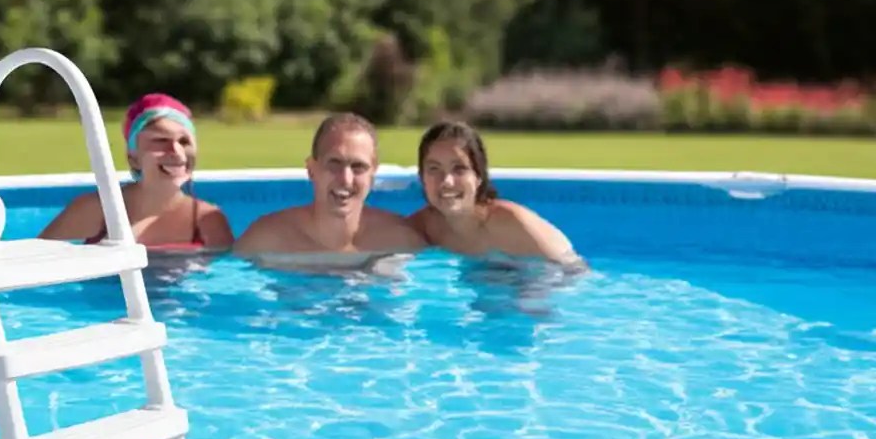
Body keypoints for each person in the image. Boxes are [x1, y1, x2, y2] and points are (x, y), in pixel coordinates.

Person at [38, 93, 234, 253]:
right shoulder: (96, 210)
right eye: (160, 141)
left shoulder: (208, 221)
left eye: (185, 142)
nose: (176, 151)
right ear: (133, 157)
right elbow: (32, 265)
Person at [232, 112, 425, 268]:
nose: (346, 180)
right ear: (311, 169)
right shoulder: (266, 240)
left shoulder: (400, 239)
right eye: (334, 164)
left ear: (372, 175)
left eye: (358, 167)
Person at [408, 120, 582, 267]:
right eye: (434, 169)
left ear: (478, 176)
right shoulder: (419, 230)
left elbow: (573, 271)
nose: (447, 181)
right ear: (422, 177)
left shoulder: (512, 224)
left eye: (459, 168)